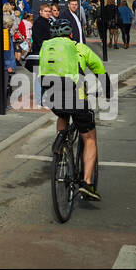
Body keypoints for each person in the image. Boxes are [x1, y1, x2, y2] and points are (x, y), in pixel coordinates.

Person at [38, 19, 106, 201]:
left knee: (62, 114)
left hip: (52, 97)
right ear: (71, 35)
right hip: (76, 96)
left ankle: (62, 147)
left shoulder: (47, 47)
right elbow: (99, 68)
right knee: (90, 138)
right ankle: (86, 183)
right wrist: (108, 91)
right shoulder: (79, 48)